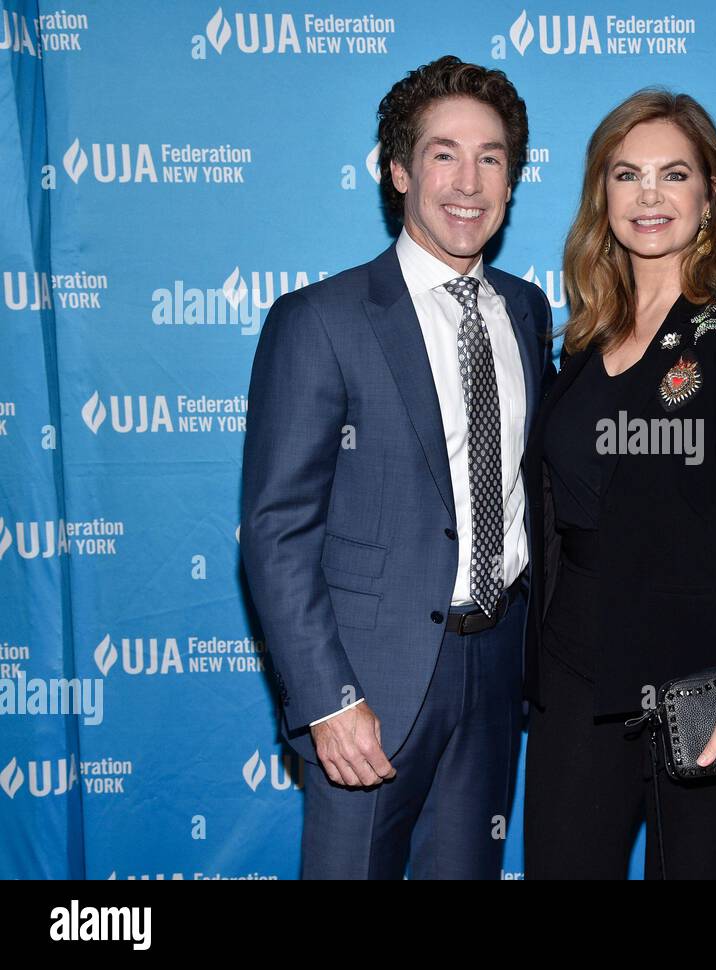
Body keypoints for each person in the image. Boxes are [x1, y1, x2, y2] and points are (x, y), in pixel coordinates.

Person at [240, 56, 551, 879]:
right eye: (443, 153)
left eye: (491, 157)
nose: (470, 181)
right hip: (367, 684)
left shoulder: (525, 310)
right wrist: (327, 701)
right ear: (397, 170)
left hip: (496, 670)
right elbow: (276, 530)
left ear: (513, 181)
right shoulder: (320, 320)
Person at [522, 90, 716, 880]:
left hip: (709, 681)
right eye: (627, 175)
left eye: (674, 174)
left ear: (710, 197)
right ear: (603, 195)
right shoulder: (584, 343)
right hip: (577, 680)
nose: (650, 195)